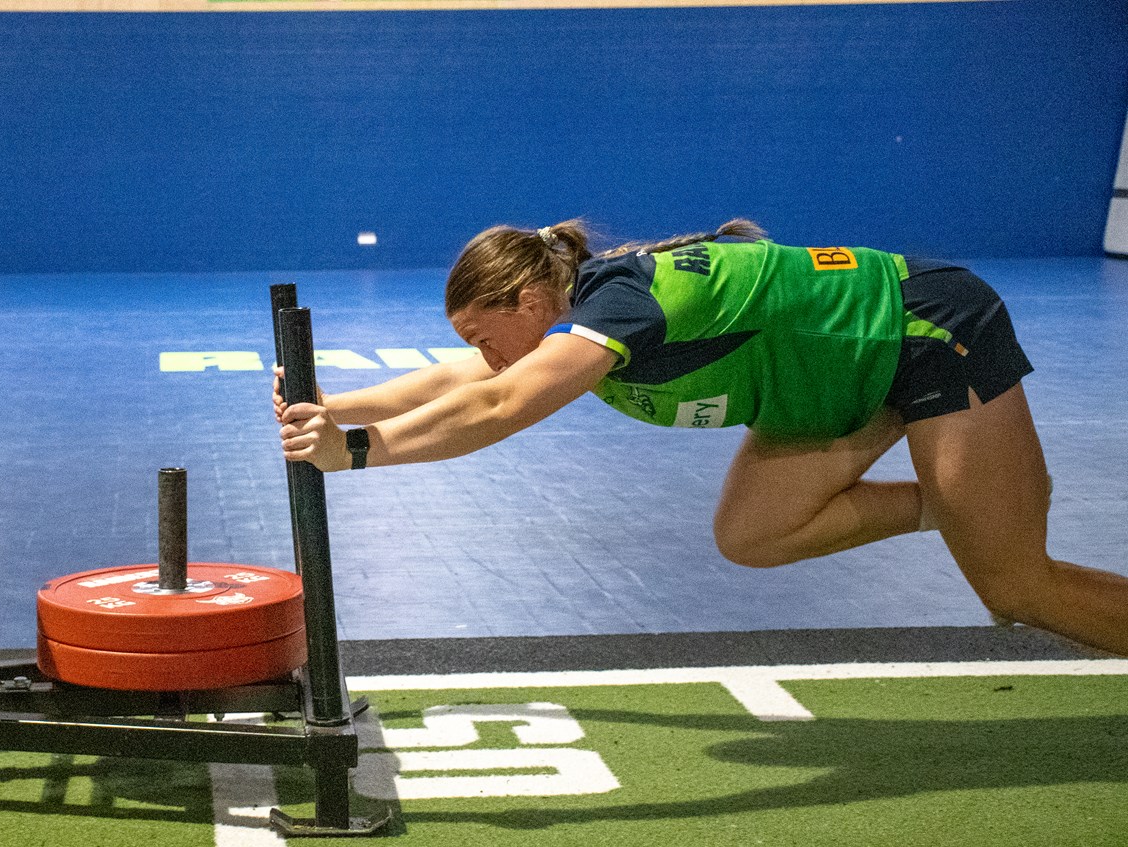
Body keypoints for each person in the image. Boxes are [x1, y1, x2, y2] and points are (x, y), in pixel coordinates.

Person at [274, 219, 1127, 657]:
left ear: (530, 305)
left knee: (1016, 587)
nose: (478, 353)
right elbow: (471, 384)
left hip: (922, 330)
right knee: (753, 534)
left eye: (480, 331)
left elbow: (498, 408)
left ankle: (983, 512)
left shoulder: (619, 309)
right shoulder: (573, 319)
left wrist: (354, 454)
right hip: (833, 380)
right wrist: (337, 403)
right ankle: (967, 504)